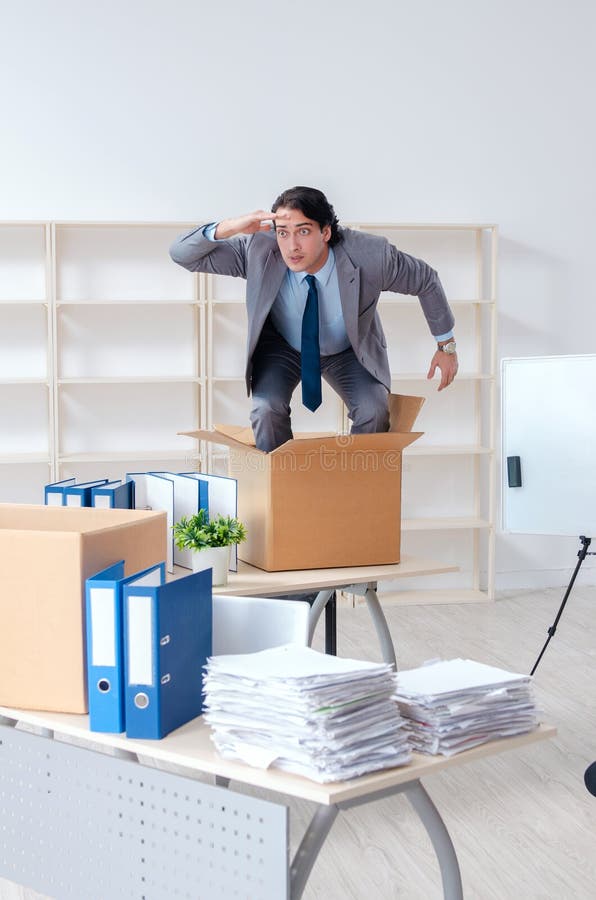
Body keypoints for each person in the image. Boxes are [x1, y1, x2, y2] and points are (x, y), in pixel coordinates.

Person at [170, 186, 457, 452]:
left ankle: (358, 489)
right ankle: (282, 487)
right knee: (265, 409)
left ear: (326, 232)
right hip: (284, 347)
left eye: (303, 231)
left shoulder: (371, 255)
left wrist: (446, 347)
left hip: (348, 350)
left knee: (374, 410)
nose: (291, 245)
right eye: (283, 232)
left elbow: (426, 280)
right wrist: (230, 226)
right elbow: (182, 254)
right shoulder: (259, 250)